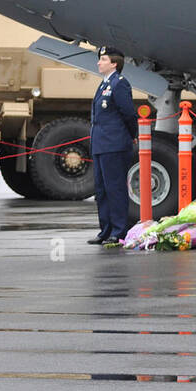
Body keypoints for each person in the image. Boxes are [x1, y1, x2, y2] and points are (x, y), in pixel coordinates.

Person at [89, 46, 138, 246]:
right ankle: (105, 230)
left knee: (115, 188)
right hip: (101, 143)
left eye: (103, 59)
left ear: (114, 64)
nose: (99, 62)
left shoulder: (119, 84)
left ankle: (119, 231)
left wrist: (132, 135)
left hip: (114, 144)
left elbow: (128, 113)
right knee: (101, 190)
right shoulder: (104, 85)